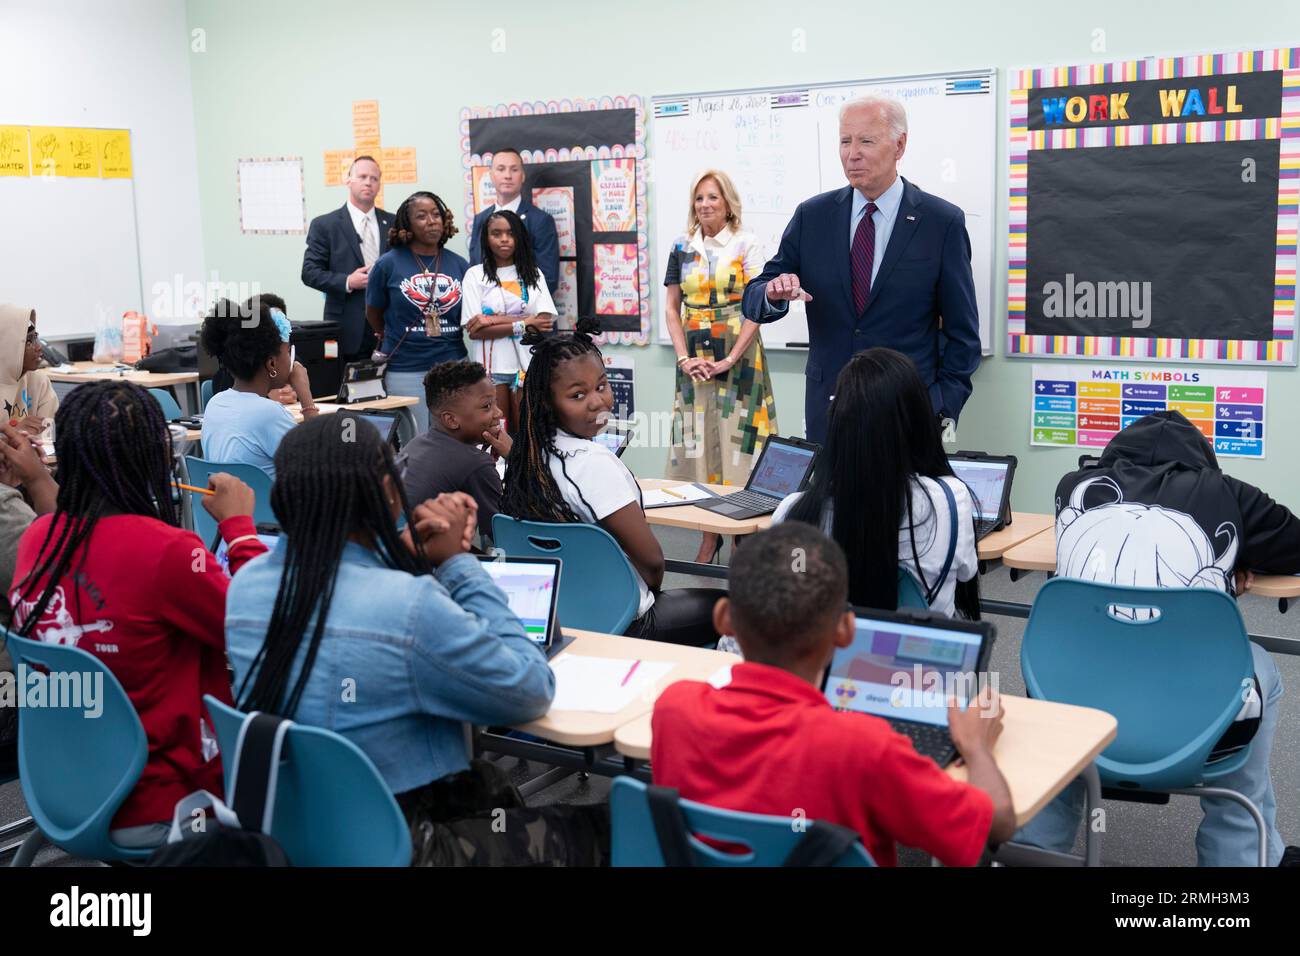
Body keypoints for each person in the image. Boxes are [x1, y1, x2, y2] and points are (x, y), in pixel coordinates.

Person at [224, 415, 554, 831]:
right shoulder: (411, 605)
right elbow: (530, 690)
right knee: (610, 827)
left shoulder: (245, 586)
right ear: (387, 492)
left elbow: (337, 597)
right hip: (416, 838)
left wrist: (396, 556)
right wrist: (456, 564)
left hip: (305, 830)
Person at [1017, 410, 1299, 867]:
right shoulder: (1228, 495)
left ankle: (1029, 851)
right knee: (1260, 667)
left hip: (1077, 706)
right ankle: (1245, 852)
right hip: (1196, 717)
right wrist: (1226, 575)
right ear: (1202, 462)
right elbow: (1294, 543)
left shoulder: (1072, 490)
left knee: (1057, 695)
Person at [651, 522, 1013, 866]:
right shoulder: (864, 747)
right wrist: (976, 747)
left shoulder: (674, 709)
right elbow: (995, 822)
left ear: (724, 619)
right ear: (845, 631)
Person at [8, 380, 266, 848]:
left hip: (62, 792)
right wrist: (239, 529)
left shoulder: (37, 540)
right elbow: (263, 633)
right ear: (154, 459)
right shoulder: (167, 553)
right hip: (165, 806)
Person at [741, 95, 981, 445]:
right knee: (829, 502)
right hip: (829, 412)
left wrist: (940, 408)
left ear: (899, 145)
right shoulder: (813, 217)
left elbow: (963, 336)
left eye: (866, 141)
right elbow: (754, 296)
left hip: (907, 412)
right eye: (845, 141)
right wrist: (772, 293)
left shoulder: (941, 222)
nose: (852, 153)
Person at [500, 319, 724, 646]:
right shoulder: (593, 462)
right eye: (578, 395)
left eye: (601, 386)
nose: (598, 402)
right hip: (625, 620)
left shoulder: (525, 459)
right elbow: (652, 563)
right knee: (735, 607)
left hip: (555, 617)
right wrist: (645, 590)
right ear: (548, 403)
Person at [772, 348, 979, 619]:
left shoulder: (793, 514)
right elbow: (966, 571)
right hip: (918, 660)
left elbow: (783, 600)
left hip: (829, 659)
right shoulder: (951, 498)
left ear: (836, 422)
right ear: (918, 419)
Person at [663, 170, 779, 563]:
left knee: (742, 447)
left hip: (739, 359)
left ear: (728, 202)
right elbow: (671, 308)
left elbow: (757, 309)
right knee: (700, 446)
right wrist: (682, 357)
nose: (706, 204)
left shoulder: (747, 243)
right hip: (692, 360)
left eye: (713, 197)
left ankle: (741, 536)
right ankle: (708, 534)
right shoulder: (681, 246)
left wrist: (729, 359)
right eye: (699, 198)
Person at [365, 191, 468, 436]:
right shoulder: (387, 264)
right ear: (407, 225)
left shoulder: (459, 264)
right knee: (416, 441)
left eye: (436, 215)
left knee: (458, 438)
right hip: (406, 367)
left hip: (454, 364)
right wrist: (387, 332)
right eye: (421, 216)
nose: (431, 221)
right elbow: (373, 312)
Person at [199, 299, 318, 478]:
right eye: (288, 352)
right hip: (263, 506)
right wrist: (305, 396)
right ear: (272, 363)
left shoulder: (215, 404)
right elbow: (321, 464)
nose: (292, 359)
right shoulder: (270, 413)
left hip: (221, 505)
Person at [462, 208, 557, 433]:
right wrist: (523, 323)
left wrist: (491, 320)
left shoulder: (534, 274)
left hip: (527, 366)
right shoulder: (475, 275)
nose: (504, 239)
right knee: (498, 433)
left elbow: (543, 322)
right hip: (490, 369)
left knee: (528, 433)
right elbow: (475, 331)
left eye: (510, 233)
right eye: (496, 233)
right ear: (486, 238)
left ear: (519, 237)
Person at [301, 156, 396, 363]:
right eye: (362, 176)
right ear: (348, 180)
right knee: (346, 392)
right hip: (347, 328)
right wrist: (347, 281)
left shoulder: (394, 223)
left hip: (388, 327)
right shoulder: (325, 225)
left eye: (374, 178)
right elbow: (309, 272)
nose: (368, 182)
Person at [468, 148, 559, 293]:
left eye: (514, 169)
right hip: (485, 312)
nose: (507, 176)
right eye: (501, 169)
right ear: (491, 176)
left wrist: (512, 305)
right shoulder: (481, 219)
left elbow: (548, 279)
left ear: (522, 176)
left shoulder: (541, 221)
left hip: (527, 312)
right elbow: (474, 271)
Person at [0, 303, 58, 431]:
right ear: (7, 345)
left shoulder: (39, 381)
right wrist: (14, 433)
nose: (38, 347)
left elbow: (49, 436)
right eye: (28, 341)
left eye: (35, 337)